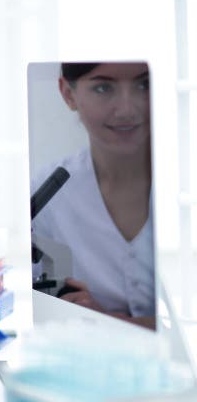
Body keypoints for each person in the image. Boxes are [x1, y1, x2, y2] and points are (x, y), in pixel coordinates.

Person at [31, 61, 155, 329]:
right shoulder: (46, 193)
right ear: (68, 93)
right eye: (102, 88)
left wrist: (108, 322)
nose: (126, 109)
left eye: (145, 85)